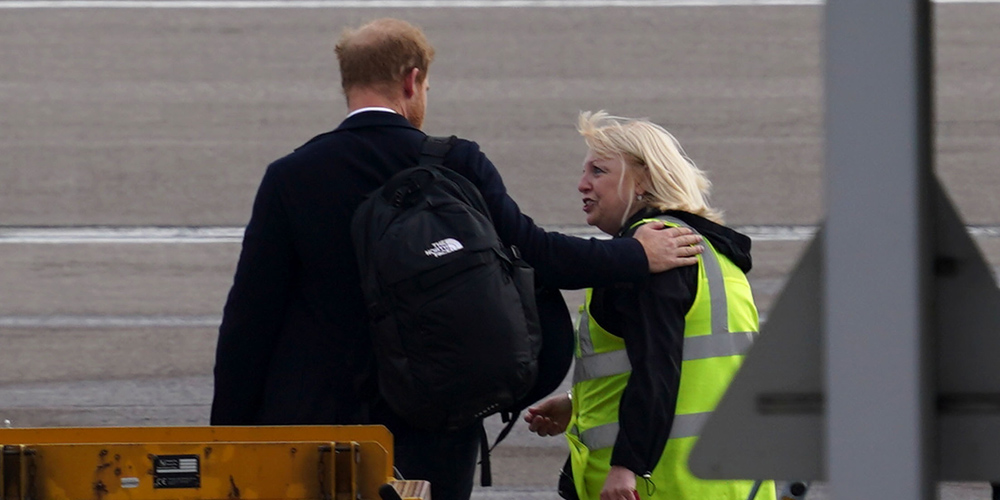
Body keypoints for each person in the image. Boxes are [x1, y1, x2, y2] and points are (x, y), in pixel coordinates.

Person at [210, 18, 704, 500]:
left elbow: (249, 319)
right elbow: (536, 255)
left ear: (348, 83)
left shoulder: (291, 177)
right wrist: (635, 256)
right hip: (433, 421)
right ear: (413, 80)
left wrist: (225, 442)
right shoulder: (454, 163)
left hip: (316, 425)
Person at [524, 111, 775, 500]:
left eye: (598, 171)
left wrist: (627, 466)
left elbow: (659, 365)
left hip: (663, 483)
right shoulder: (715, 255)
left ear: (642, 179)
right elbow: (698, 370)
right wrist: (578, 403)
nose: (581, 184)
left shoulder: (653, 253)